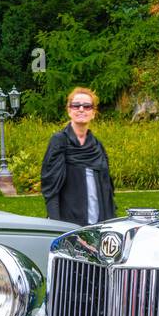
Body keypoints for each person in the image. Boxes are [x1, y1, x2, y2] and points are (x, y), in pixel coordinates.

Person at [40, 87, 116, 226]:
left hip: (99, 223)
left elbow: (108, 190)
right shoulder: (59, 141)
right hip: (69, 223)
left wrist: (110, 223)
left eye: (87, 106)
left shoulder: (97, 146)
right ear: (69, 110)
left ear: (93, 113)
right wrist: (57, 226)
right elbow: (50, 189)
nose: (81, 109)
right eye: (76, 105)